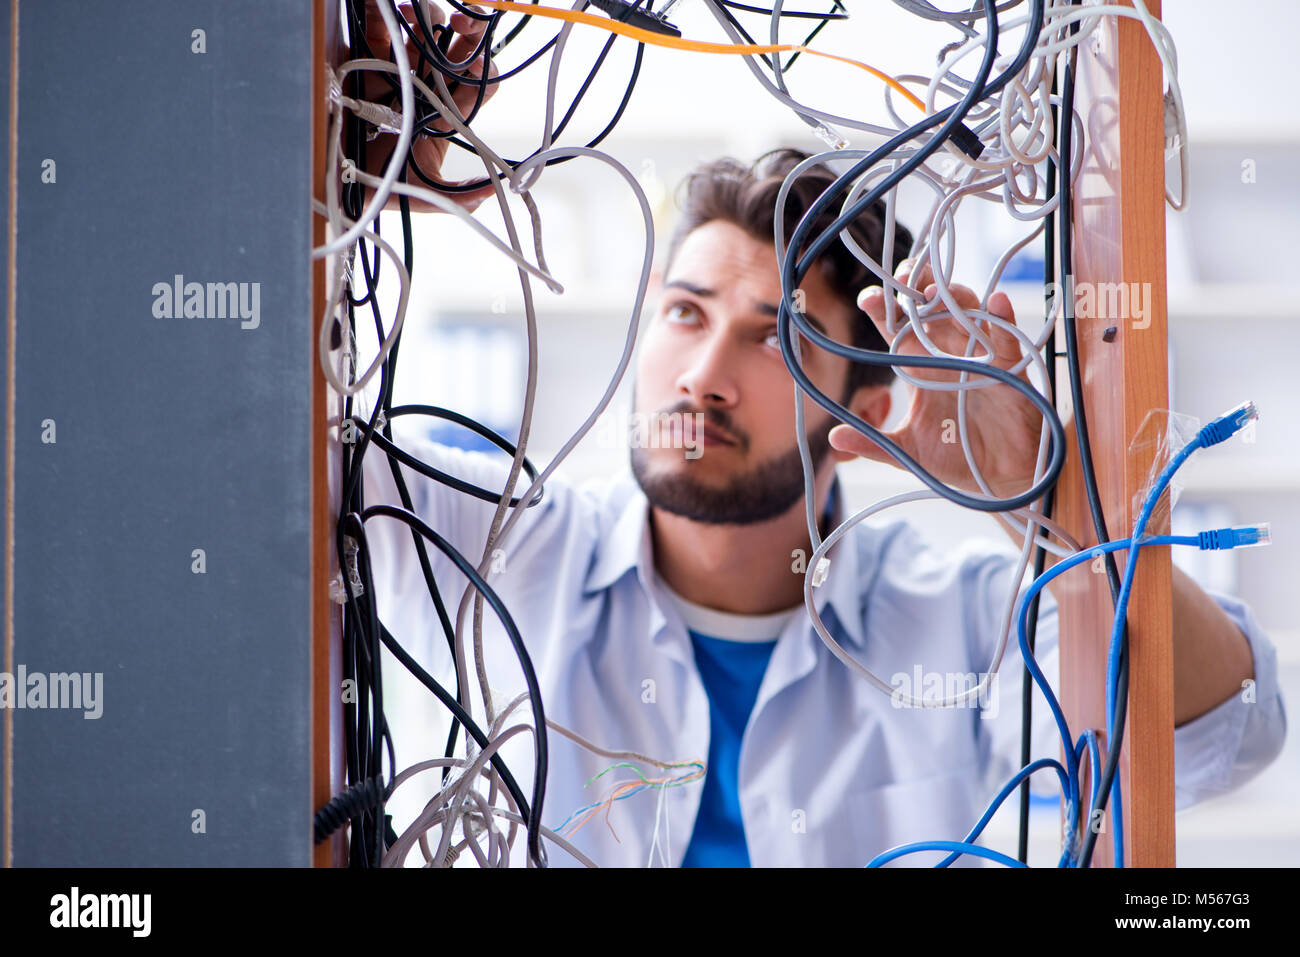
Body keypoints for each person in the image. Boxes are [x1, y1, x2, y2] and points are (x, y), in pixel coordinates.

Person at [356, 3, 1287, 867]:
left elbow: (1227, 732)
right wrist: (360, 176)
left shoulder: (956, 621)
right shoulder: (496, 545)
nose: (703, 374)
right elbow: (259, 471)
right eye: (687, 312)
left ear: (865, 401)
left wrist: (1054, 497)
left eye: (776, 335)